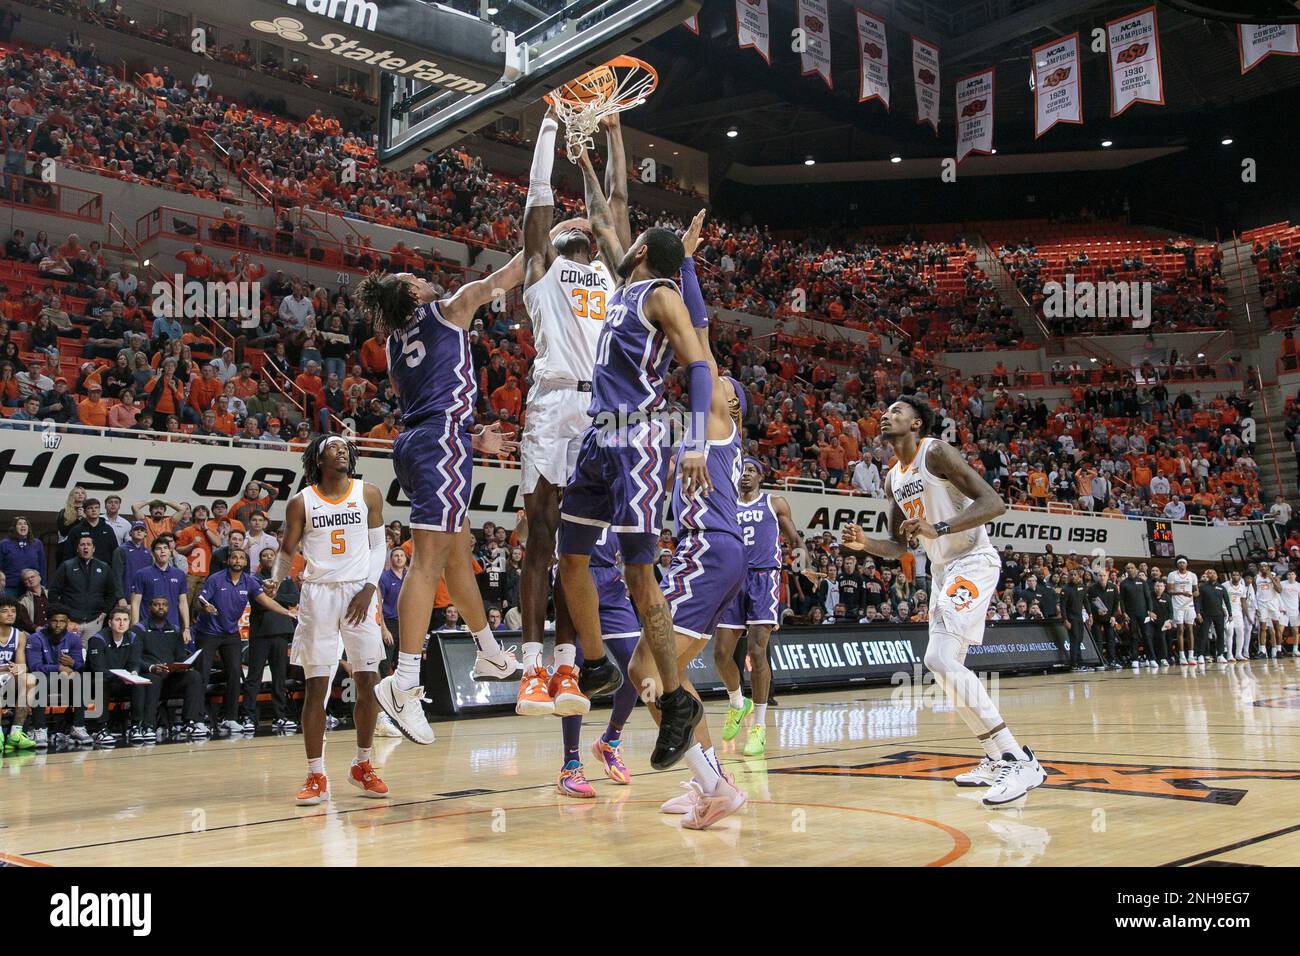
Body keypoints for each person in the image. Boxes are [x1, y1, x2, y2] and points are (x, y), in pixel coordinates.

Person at [557, 143, 716, 771]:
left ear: (643, 250)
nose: (612, 240)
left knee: (637, 574)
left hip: (640, 437)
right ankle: (595, 662)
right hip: (599, 435)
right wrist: (586, 161)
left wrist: (696, 441)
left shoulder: (660, 296)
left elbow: (698, 366)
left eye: (630, 239)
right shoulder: (624, 285)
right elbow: (601, 218)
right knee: (570, 557)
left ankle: (675, 701)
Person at [840, 396, 1045, 806]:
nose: (886, 415)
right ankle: (994, 756)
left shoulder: (935, 451)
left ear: (917, 423)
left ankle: (1017, 758)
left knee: (940, 660)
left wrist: (939, 526)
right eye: (885, 411)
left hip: (972, 560)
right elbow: (899, 544)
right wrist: (865, 544)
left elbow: (994, 503)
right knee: (942, 666)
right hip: (941, 572)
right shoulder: (891, 479)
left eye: (897, 411)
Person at [358, 258, 527, 747]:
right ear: (411, 295)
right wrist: (549, 232)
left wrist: (473, 440)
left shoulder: (393, 346)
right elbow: (505, 276)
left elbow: (427, 402)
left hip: (419, 443)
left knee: (459, 549)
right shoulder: (449, 310)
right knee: (428, 561)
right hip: (439, 445)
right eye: (413, 279)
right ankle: (405, 681)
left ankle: (489, 649)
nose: (422, 277)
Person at [514, 104, 622, 716]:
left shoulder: (609, 275)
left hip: (599, 411)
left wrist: (602, 138)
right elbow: (537, 202)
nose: (577, 226)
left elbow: (612, 205)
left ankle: (566, 669)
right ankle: (531, 667)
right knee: (543, 534)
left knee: (574, 550)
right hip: (554, 403)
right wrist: (553, 127)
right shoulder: (542, 270)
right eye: (565, 226)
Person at [267, 436, 389, 804]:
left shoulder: (368, 493)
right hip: (318, 595)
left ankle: (363, 764)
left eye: (345, 447)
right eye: (334, 447)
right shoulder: (301, 501)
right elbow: (287, 551)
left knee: (369, 681)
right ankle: (316, 774)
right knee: (316, 687)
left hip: (358, 593)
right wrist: (276, 576)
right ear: (319, 458)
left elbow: (379, 546)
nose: (343, 451)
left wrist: (369, 588)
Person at [713, 457, 799, 757]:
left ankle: (759, 727)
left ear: (760, 477)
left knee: (757, 652)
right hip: (733, 580)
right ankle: (738, 703)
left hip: (764, 579)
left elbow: (795, 539)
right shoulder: (725, 505)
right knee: (721, 653)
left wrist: (804, 564)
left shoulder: (774, 502)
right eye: (742, 470)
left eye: (751, 470)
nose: (745, 475)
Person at [194, 545, 296, 735]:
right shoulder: (215, 579)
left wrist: (286, 612)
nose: (238, 561)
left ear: (246, 562)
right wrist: (205, 607)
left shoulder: (249, 582)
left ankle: (230, 718)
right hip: (208, 633)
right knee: (202, 674)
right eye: (234, 557)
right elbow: (200, 600)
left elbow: (266, 600)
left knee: (235, 674)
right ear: (228, 561)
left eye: (241, 558)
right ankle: (197, 719)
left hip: (230, 633)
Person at [129, 596, 207, 742]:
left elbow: (180, 656)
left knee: (194, 676)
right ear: (149, 608)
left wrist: (182, 665)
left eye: (164, 605)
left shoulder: (175, 630)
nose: (160, 607)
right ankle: (148, 725)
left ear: (168, 608)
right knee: (153, 679)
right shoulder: (139, 629)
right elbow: (134, 658)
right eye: (157, 605)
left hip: (170, 677)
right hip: (150, 675)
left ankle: (189, 722)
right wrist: (151, 667)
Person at [244, 547, 299, 733]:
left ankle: (280, 716)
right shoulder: (254, 580)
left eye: (271, 555)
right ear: (260, 561)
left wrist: (276, 597)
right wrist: (275, 601)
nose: (268, 557)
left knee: (279, 677)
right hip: (260, 633)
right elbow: (256, 599)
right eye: (265, 555)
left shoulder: (287, 579)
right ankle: (249, 717)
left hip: (281, 632)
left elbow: (296, 596)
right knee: (254, 677)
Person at [23, 604, 91, 748]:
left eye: (63, 621)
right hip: (44, 677)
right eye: (55, 621)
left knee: (82, 679)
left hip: (65, 679)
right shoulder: (36, 638)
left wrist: (73, 663)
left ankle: (78, 727)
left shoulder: (74, 639)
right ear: (47, 621)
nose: (58, 625)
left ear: (68, 622)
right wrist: (59, 668)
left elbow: (80, 666)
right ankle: (39, 729)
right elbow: (34, 666)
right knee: (40, 680)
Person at [48, 533, 121, 639]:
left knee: (90, 653)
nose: (85, 547)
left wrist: (104, 612)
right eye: (82, 545)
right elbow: (53, 592)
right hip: (71, 621)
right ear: (77, 548)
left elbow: (112, 593)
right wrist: (63, 617)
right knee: (68, 654)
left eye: (89, 544)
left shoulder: (104, 567)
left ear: (94, 548)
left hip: (94, 621)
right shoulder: (67, 566)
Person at [83, 607, 137, 746]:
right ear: (110, 622)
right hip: (96, 681)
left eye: (125, 620)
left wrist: (134, 672)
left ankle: (138, 726)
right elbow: (98, 669)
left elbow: (134, 661)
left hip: (121, 681)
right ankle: (100, 729)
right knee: (101, 682)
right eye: (118, 620)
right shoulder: (97, 639)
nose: (121, 623)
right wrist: (120, 677)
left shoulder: (132, 637)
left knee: (142, 683)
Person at [129, 538, 190, 647]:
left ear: (170, 551)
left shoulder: (180, 574)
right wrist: (135, 629)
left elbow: (183, 603)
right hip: (148, 628)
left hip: (172, 627)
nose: (162, 551)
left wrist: (186, 628)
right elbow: (135, 603)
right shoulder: (142, 574)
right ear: (152, 553)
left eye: (165, 548)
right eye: (158, 549)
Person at [0, 595, 37, 752]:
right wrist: (9, 670)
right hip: (4, 676)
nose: (10, 614)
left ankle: (16, 733)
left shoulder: (19, 635)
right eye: (5, 611)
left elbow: (22, 665)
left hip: (7, 676)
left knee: (30, 679)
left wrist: (19, 669)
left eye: (13, 611)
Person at [1165, 556, 1199, 665]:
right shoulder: (1172, 575)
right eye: (1179, 563)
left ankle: (1191, 655)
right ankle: (1182, 655)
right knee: (1180, 629)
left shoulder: (1192, 575)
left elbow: (1196, 591)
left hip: (1189, 605)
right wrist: (1181, 593)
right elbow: (1169, 591)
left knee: (1190, 629)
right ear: (1177, 565)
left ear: (1187, 564)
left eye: (1183, 563)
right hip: (1177, 605)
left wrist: (1194, 594)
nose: (1181, 564)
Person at [0, 516, 45, 596]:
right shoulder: (4, 544)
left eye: (25, 524)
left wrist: (43, 586)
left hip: (31, 588)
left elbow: (42, 566)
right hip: (10, 587)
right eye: (20, 524)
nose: (23, 526)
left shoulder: (37, 544)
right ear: (14, 528)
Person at [1224, 569, 1253, 662]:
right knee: (1230, 633)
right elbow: (1221, 599)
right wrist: (1224, 610)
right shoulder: (1225, 585)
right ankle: (1229, 654)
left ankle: (1238, 653)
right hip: (1228, 612)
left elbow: (1243, 602)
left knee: (1240, 632)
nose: (1235, 576)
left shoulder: (1242, 587)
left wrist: (1248, 616)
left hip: (1238, 612)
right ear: (1231, 576)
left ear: (1240, 577)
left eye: (1237, 575)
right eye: (1233, 575)